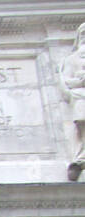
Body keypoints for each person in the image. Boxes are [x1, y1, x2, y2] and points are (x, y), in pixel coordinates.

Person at [60, 23, 85, 181]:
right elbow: (67, 81)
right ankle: (81, 158)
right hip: (81, 96)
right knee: (81, 125)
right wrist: (80, 80)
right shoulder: (72, 59)